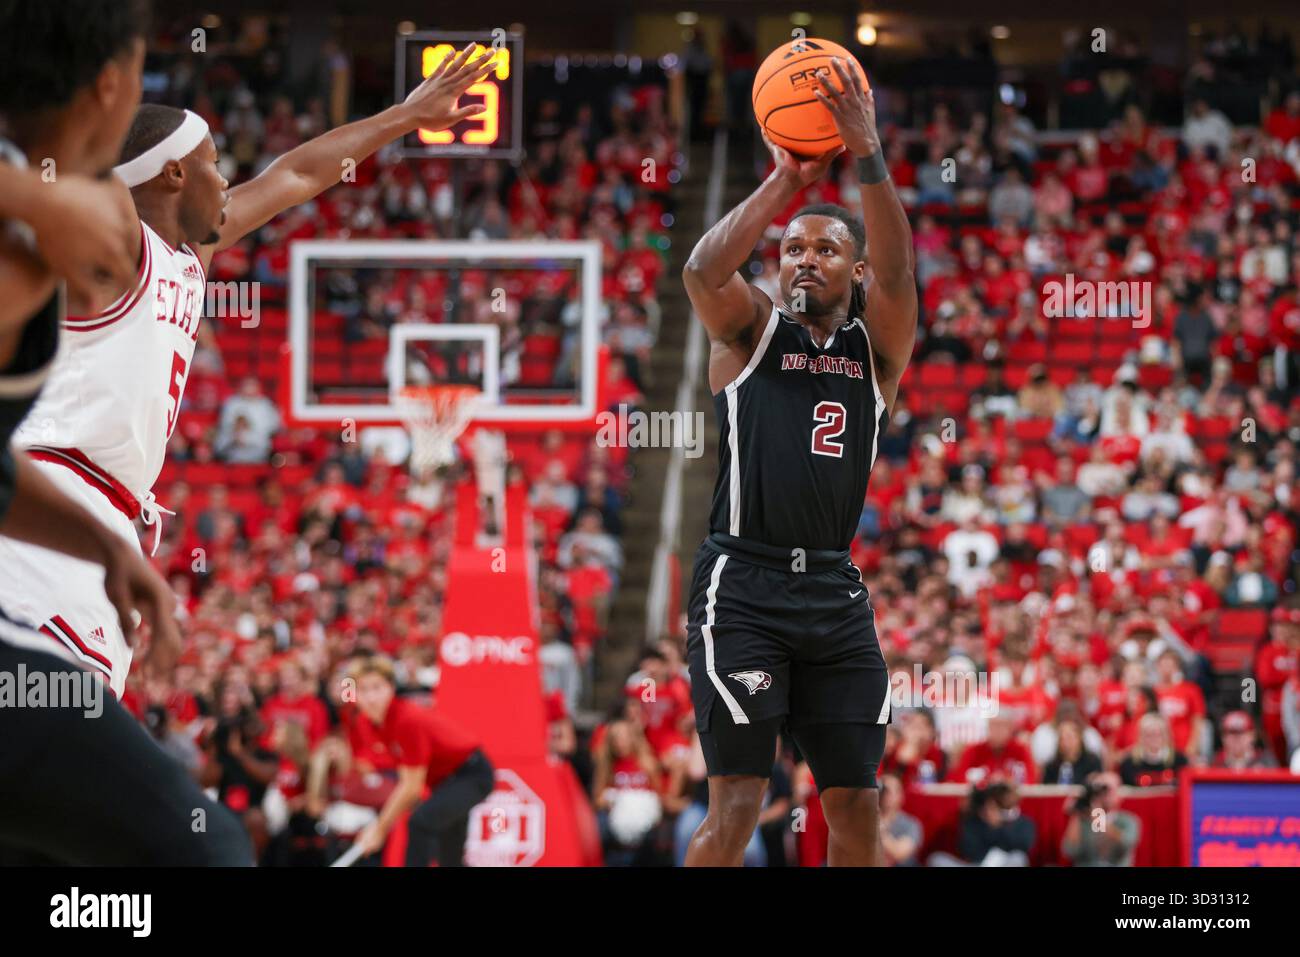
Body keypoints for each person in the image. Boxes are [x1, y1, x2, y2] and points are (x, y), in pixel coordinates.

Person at [0, 43, 496, 698]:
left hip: (102, 515)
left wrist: (405, 117)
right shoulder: (120, 242)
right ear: (172, 175)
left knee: (60, 754)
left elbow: (296, 174)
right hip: (54, 492)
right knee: (58, 748)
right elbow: (89, 167)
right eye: (212, 163)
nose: (228, 176)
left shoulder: (190, 255)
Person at [0, 0, 249, 865]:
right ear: (107, 86)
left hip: (82, 526)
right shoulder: (102, 239)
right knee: (199, 848)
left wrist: (402, 118)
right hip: (51, 531)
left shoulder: (177, 259)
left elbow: (297, 174)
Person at [680, 57, 916, 866]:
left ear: (853, 269)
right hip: (741, 586)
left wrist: (869, 155)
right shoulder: (748, 332)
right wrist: (786, 180)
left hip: (834, 591)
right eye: (792, 250)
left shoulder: (876, 350)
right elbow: (703, 269)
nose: (803, 258)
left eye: (823, 248)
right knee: (737, 805)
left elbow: (899, 271)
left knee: (856, 808)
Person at [349, 655, 495, 867]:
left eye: (377, 688)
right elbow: (405, 774)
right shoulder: (365, 723)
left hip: (471, 775)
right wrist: (379, 825)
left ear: (390, 688)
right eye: (363, 689)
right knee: (450, 857)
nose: (371, 697)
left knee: (420, 822)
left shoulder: (407, 720)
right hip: (444, 783)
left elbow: (412, 786)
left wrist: (380, 827)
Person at [1060, 771, 1140, 866]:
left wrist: (1098, 817)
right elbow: (1070, 851)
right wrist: (1076, 813)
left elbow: (1124, 844)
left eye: (1107, 790)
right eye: (1098, 791)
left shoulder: (1128, 820)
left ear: (1118, 794)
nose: (1103, 795)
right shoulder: (1084, 820)